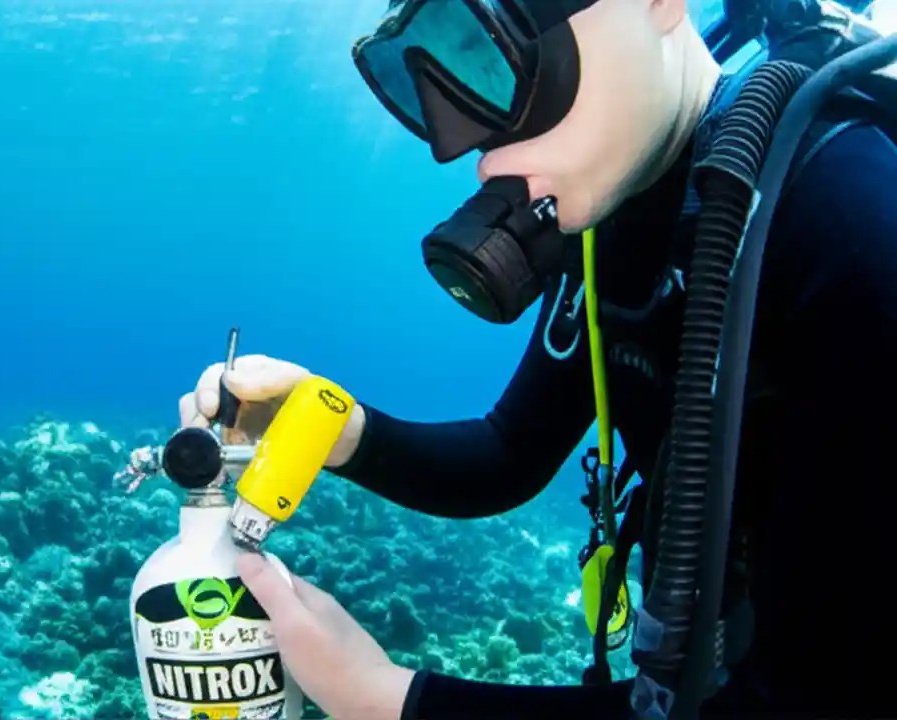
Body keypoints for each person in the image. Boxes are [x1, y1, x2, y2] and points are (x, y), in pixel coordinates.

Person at [177, 0, 897, 718]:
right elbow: (509, 453)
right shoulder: (608, 214)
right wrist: (342, 431)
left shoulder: (855, 222)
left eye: (499, 60)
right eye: (435, 90)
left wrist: (389, 700)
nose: (478, 152)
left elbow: (817, 698)